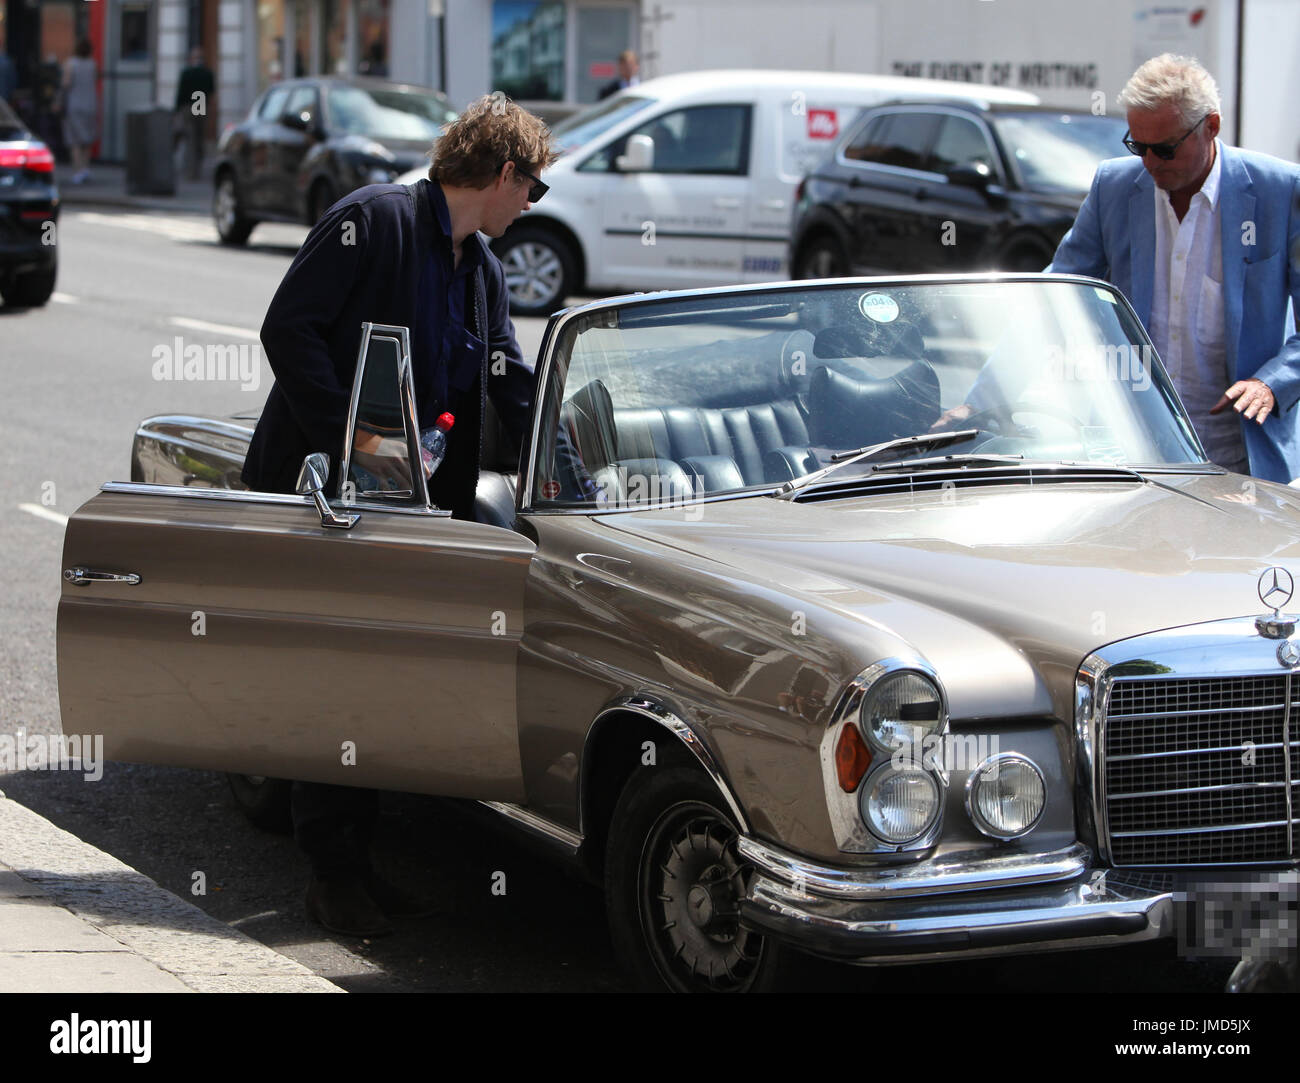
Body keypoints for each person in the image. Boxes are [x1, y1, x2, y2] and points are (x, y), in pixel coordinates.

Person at [240, 94, 556, 937]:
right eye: (532, 186)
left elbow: (504, 384)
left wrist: (571, 452)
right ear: (500, 172)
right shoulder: (370, 223)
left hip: (411, 521)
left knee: (377, 690)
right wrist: (358, 439)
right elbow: (287, 329)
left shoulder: (481, 272)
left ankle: (357, 866)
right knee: (336, 686)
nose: (533, 205)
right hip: (332, 507)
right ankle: (331, 876)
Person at [940, 54, 1300, 483]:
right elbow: (1052, 304)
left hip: (1244, 459)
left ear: (1212, 127)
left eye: (1164, 148)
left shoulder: (1281, 191)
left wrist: (1270, 384)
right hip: (1134, 453)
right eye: (1137, 145)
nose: (1149, 162)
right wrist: (980, 404)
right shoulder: (1112, 187)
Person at [174, 46, 215, 181]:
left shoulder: (187, 73)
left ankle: (190, 171)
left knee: (191, 139)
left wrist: (177, 110)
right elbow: (211, 91)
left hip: (189, 106)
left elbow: (181, 93)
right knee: (198, 138)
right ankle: (197, 168)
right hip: (201, 104)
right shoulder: (207, 73)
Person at [61, 39, 98, 184]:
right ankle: (86, 168)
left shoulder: (71, 63)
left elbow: (66, 83)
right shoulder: (92, 64)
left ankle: (78, 170)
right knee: (87, 140)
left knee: (75, 140)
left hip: (75, 105)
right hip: (91, 104)